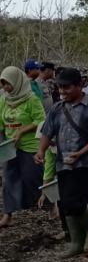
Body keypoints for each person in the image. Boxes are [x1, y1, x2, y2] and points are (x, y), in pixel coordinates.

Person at [36, 67, 88, 257]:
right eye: (60, 88)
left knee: (76, 201)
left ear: (79, 86)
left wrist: (80, 153)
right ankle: (76, 243)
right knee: (66, 203)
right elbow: (47, 131)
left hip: (86, 163)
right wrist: (41, 151)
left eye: (67, 88)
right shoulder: (57, 108)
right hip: (63, 162)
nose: (62, 92)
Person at [0, 66, 46, 228]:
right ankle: (8, 214)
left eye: (8, 84)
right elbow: (1, 122)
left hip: (30, 145)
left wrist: (21, 131)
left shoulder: (31, 99)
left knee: (32, 178)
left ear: (17, 82)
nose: (6, 87)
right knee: (9, 178)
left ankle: (52, 205)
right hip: (9, 146)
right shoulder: (4, 100)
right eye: (3, 84)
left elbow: (40, 120)